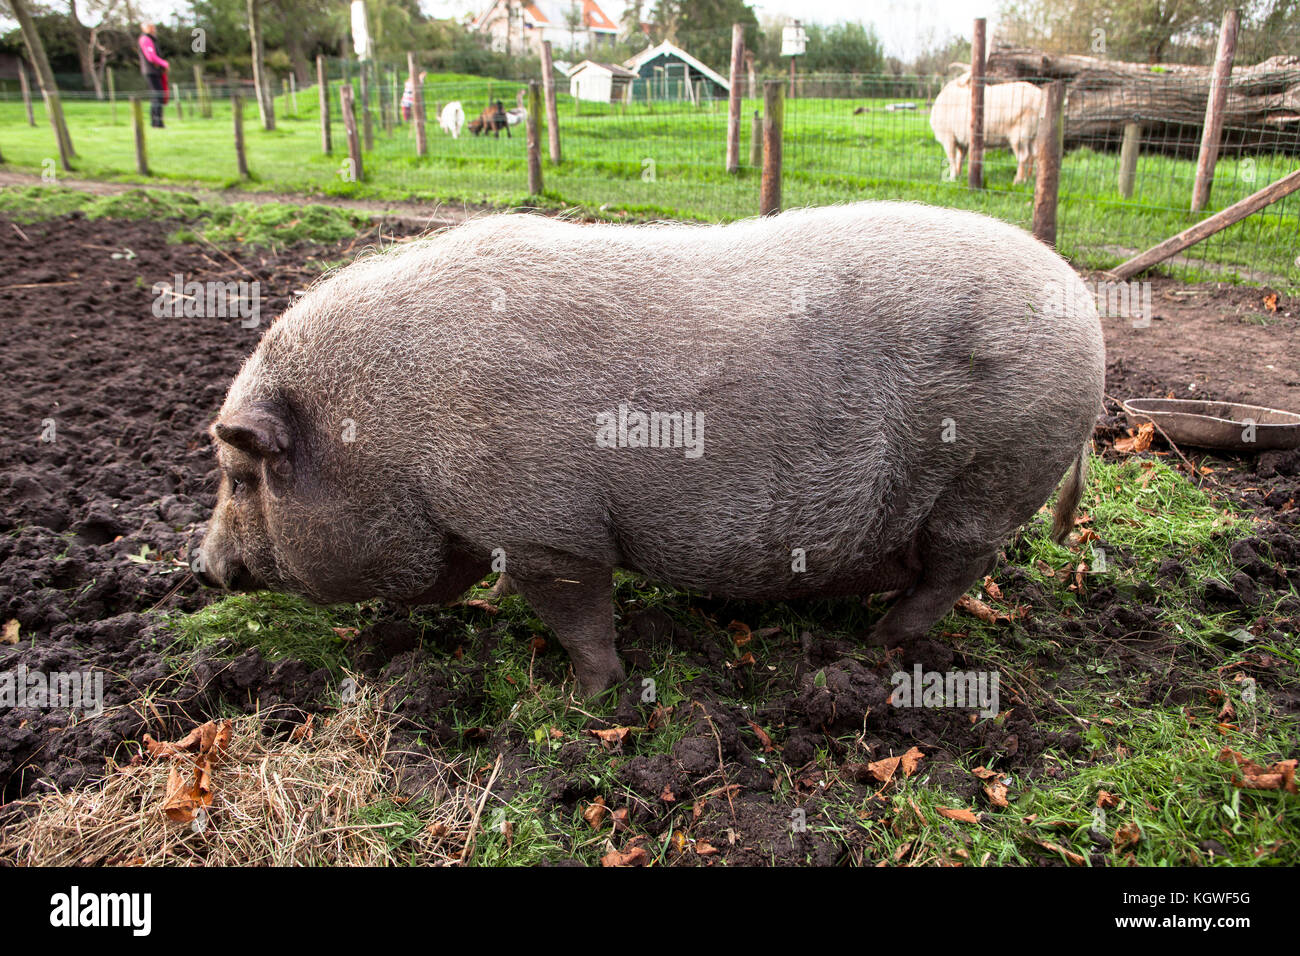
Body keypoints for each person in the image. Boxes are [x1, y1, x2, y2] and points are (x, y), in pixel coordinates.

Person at [138, 22, 169, 129]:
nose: (153, 29)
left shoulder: (151, 39)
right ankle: (156, 122)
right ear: (144, 28)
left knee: (157, 95)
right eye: (150, 27)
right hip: (151, 71)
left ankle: (157, 122)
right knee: (157, 96)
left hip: (155, 71)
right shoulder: (145, 39)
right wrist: (164, 63)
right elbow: (150, 56)